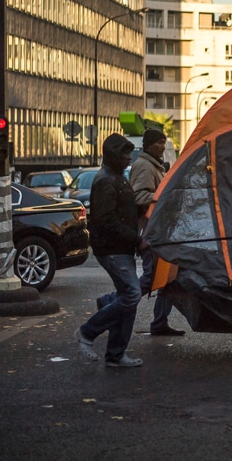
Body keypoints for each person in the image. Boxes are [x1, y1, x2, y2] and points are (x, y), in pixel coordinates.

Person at [96, 128, 184, 336]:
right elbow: (138, 196)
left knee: (168, 278)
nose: (162, 146)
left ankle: (160, 322)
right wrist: (164, 196)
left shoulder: (155, 165)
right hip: (150, 231)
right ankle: (109, 301)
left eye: (164, 142)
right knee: (152, 277)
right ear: (148, 145)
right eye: (159, 142)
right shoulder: (144, 165)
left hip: (160, 231)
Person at [76, 133, 143, 367]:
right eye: (125, 154)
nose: (129, 158)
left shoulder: (116, 177)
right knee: (132, 294)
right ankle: (88, 331)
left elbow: (124, 214)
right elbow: (107, 221)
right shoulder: (107, 180)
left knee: (128, 297)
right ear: (113, 156)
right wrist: (137, 240)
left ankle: (115, 354)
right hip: (112, 249)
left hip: (120, 247)